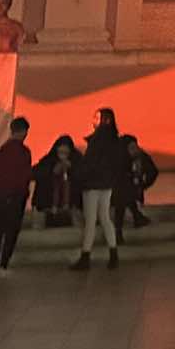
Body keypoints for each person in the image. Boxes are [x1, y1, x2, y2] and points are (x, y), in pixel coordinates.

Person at [70, 107, 129, 270]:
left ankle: (86, 255)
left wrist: (79, 175)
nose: (93, 121)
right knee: (105, 218)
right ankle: (113, 253)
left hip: (92, 184)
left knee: (90, 220)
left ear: (105, 120)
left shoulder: (97, 140)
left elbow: (89, 163)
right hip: (106, 184)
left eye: (97, 118)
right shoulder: (115, 140)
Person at [0, 116, 32, 273]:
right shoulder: (24, 152)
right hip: (16, 197)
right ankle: (4, 263)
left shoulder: (2, 151)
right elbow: (25, 175)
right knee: (11, 231)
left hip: (1, 195)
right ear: (23, 132)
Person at [113, 133, 159, 237]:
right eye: (131, 147)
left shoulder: (140, 157)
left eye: (134, 146)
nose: (134, 149)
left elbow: (153, 172)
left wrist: (143, 185)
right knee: (122, 192)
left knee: (124, 192)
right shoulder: (119, 157)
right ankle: (136, 217)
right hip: (119, 193)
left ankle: (123, 227)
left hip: (131, 192)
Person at [31, 135, 77, 228]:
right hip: (47, 204)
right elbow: (35, 173)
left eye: (65, 151)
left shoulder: (77, 160)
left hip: (70, 206)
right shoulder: (47, 161)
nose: (63, 154)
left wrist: (71, 169)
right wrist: (52, 170)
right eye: (61, 151)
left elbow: (82, 174)